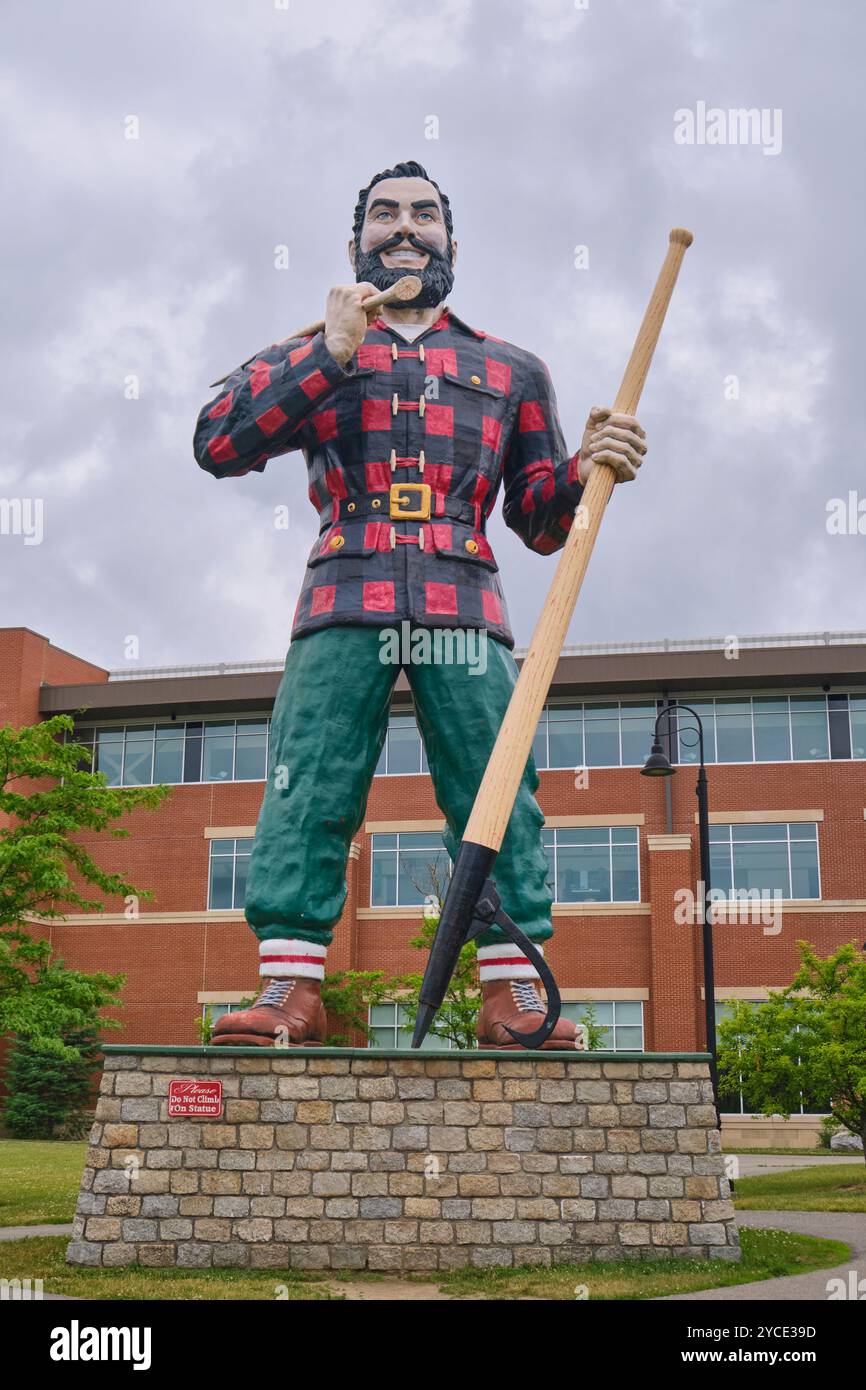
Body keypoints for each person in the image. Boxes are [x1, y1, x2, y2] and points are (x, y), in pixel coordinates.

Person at [193, 161, 647, 1049]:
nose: (407, 229)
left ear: (451, 238)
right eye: (386, 215)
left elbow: (542, 523)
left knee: (496, 784)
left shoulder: (511, 368)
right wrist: (325, 354)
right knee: (308, 780)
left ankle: (510, 995)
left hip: (464, 598)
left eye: (426, 215)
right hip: (342, 588)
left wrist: (595, 466)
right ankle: (291, 990)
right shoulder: (316, 346)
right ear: (357, 238)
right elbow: (218, 442)